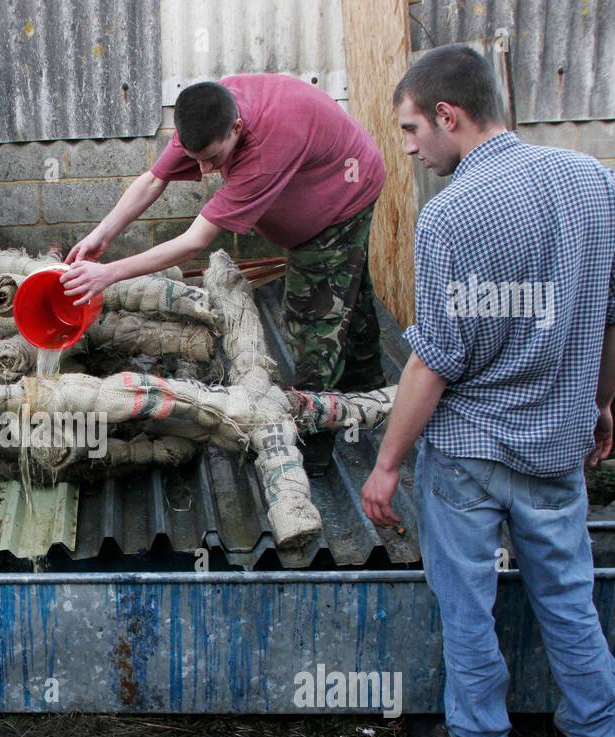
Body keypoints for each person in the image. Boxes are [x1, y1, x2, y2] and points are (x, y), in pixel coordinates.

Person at [360, 45, 615, 737]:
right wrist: (598, 404)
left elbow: (435, 361)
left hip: (467, 453)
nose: (409, 147)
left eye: (411, 129)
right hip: (555, 445)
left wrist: (388, 464)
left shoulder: (449, 217)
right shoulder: (595, 184)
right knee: (566, 593)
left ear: (448, 115)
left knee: (467, 603)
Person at [61, 73, 388, 473]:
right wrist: (100, 236)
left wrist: (108, 274)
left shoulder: (267, 144)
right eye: (195, 157)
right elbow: (152, 180)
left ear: (237, 128)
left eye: (213, 159)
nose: (204, 169)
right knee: (348, 287)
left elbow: (194, 241)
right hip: (323, 184)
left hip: (344, 197)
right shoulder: (207, 111)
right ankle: (369, 383)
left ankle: (310, 443)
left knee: (313, 317)